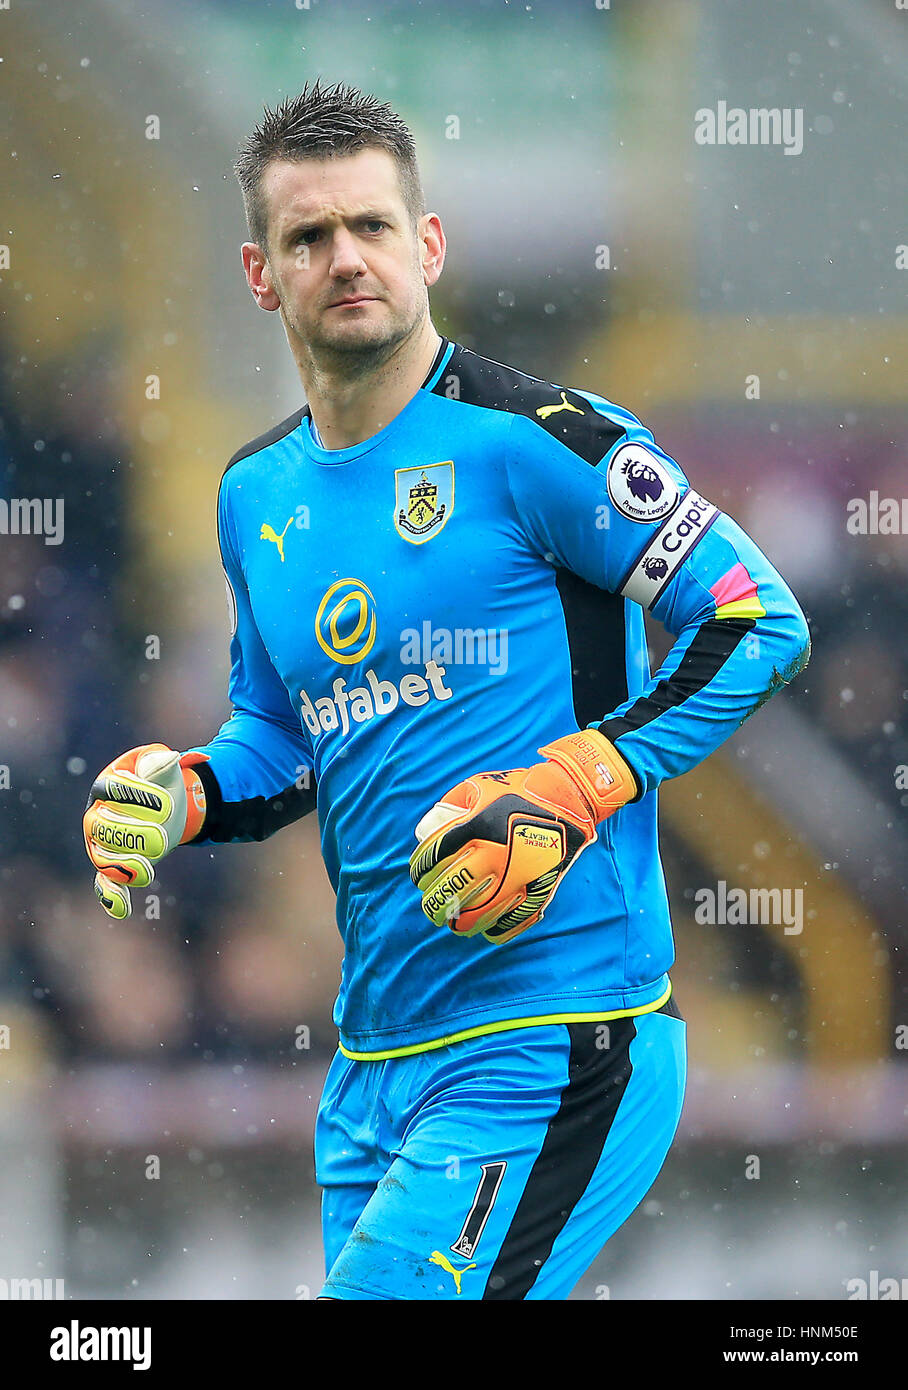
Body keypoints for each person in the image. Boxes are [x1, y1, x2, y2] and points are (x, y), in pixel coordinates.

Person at [83, 79, 810, 1300]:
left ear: (426, 245)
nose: (345, 258)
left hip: (556, 1034)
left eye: (371, 226)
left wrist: (577, 779)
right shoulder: (252, 494)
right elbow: (281, 734)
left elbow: (755, 619)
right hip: (373, 1066)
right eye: (308, 237)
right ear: (261, 276)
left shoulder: (542, 438)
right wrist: (189, 790)